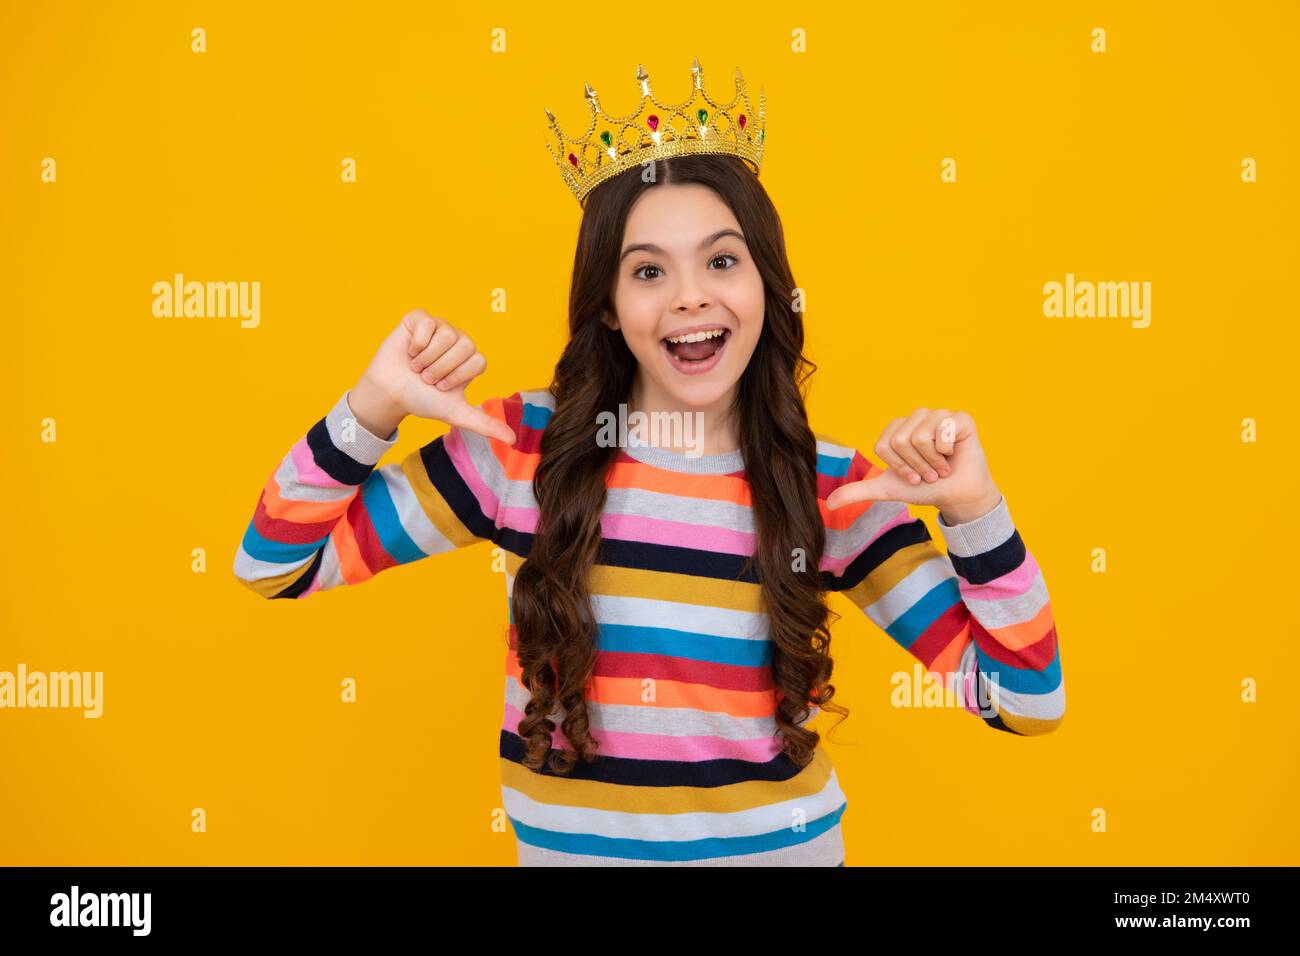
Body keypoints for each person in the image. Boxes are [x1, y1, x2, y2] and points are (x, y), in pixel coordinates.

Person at [233, 63, 1065, 866]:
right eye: (648, 271)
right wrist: (373, 406)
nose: (690, 296)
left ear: (767, 286)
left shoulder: (831, 489)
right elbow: (272, 566)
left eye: (722, 260)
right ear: (607, 303)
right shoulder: (518, 449)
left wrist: (975, 509)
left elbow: (1026, 705)